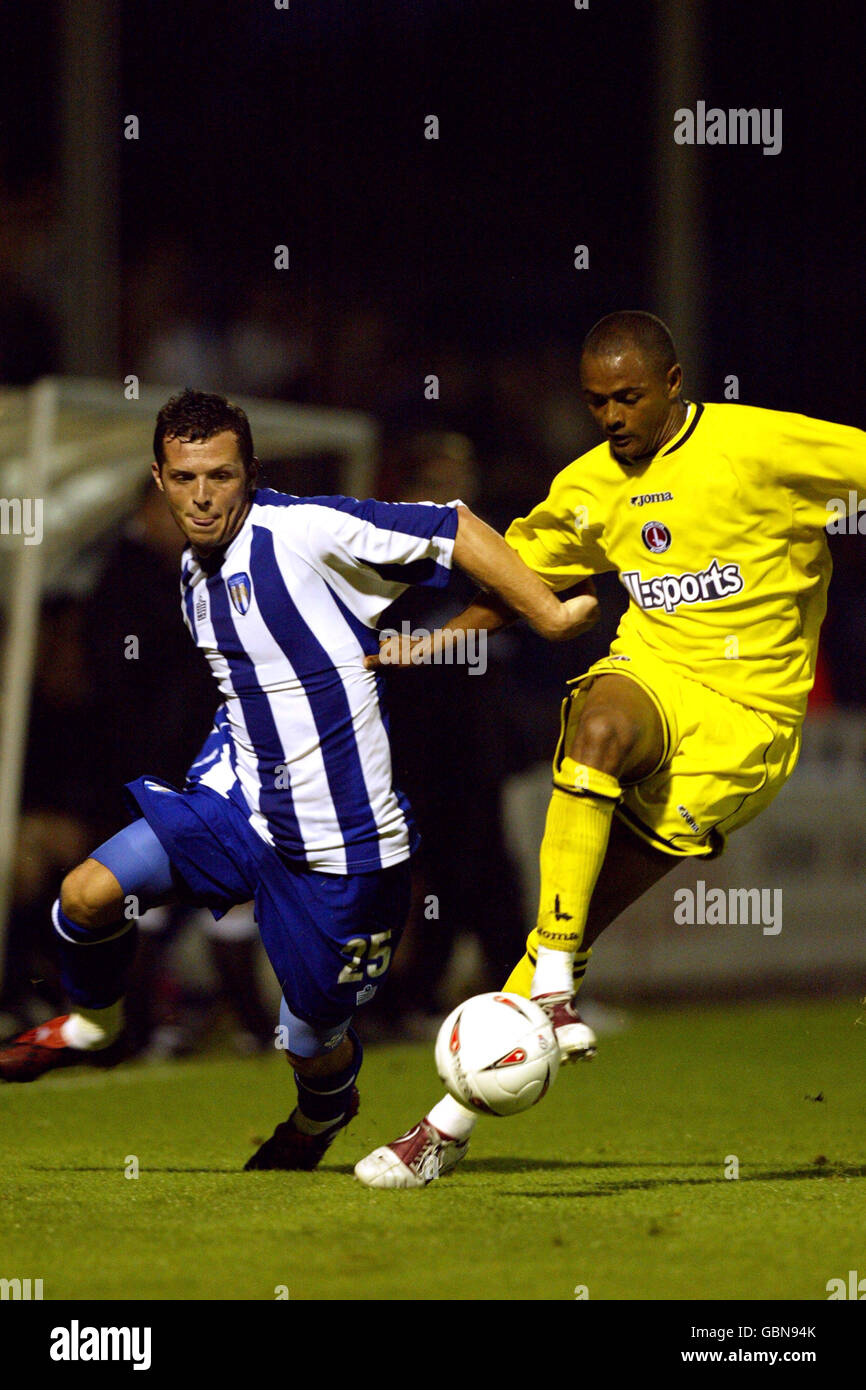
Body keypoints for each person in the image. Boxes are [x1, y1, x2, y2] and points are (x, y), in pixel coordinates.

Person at [0, 388, 596, 1174]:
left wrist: (546, 617)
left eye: (220, 475)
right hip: (236, 809)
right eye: (184, 478)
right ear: (159, 478)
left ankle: (323, 1111)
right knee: (83, 896)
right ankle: (96, 1029)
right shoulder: (190, 572)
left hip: (344, 853)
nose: (203, 495)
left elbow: (451, 525)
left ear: (249, 472)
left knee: (308, 1036)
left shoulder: (306, 530)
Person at [354, 308, 866, 1188]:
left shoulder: (763, 445)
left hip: (748, 725)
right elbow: (527, 573)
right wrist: (439, 640)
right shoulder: (589, 484)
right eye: (597, 403)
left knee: (578, 915)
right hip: (654, 671)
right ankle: (549, 986)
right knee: (595, 729)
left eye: (629, 397)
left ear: (673, 384)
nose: (614, 417)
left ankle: (446, 1123)